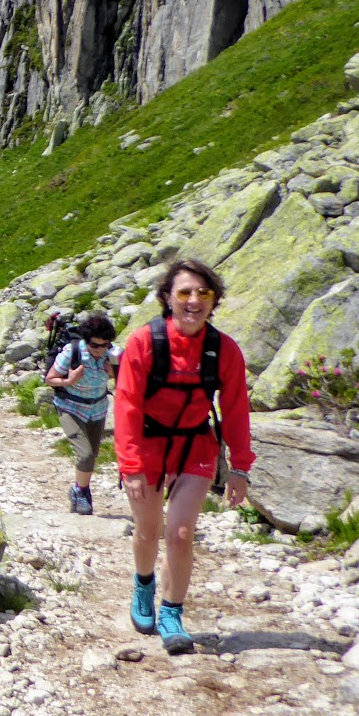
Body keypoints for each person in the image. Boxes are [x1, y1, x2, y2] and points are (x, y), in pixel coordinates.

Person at [114, 259, 253, 654]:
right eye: (185, 292)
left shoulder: (223, 350)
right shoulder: (144, 342)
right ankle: (144, 585)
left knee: (180, 532)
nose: (195, 301)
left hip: (196, 446)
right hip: (147, 446)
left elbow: (237, 408)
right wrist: (131, 465)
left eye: (203, 293)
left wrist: (240, 466)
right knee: (148, 531)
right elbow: (125, 405)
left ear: (214, 300)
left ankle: (172, 612)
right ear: (167, 299)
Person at [44, 312, 120, 516]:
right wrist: (69, 380)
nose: (99, 349)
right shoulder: (72, 351)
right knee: (85, 454)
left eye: (104, 344)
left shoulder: (111, 355)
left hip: (98, 408)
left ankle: (78, 489)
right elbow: (50, 379)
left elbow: (126, 382)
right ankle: (82, 492)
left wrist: (114, 373)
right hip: (70, 407)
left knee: (92, 455)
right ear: (86, 341)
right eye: (95, 345)